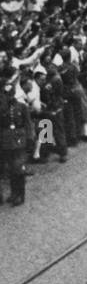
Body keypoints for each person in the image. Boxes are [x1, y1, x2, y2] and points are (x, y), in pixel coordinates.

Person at [0, 77, 33, 206]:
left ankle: (20, 195)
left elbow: (28, 124)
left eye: (10, 95)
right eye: (6, 95)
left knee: (18, 168)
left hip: (19, 140)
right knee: (10, 169)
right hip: (6, 141)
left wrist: (30, 139)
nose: (8, 97)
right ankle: (14, 193)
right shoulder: (2, 109)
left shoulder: (22, 107)